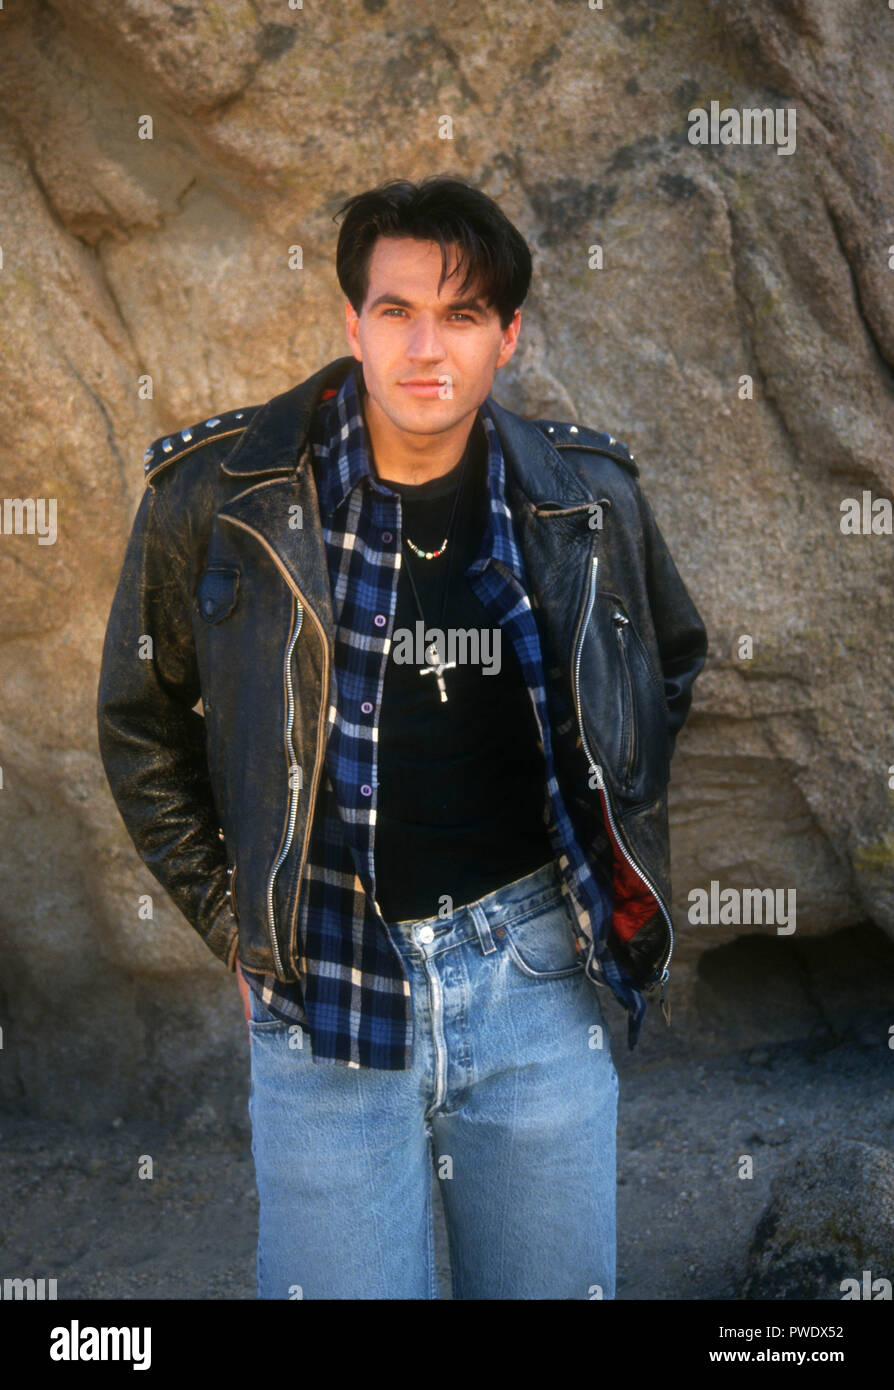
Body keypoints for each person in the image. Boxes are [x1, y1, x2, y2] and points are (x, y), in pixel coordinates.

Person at [96, 175, 708, 1300]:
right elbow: (138, 722)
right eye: (397, 310)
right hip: (325, 978)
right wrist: (238, 922)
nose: (428, 347)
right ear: (352, 323)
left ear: (509, 336)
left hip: (536, 972)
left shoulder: (588, 498)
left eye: (464, 314)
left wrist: (606, 837)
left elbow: (663, 665)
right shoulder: (223, 496)